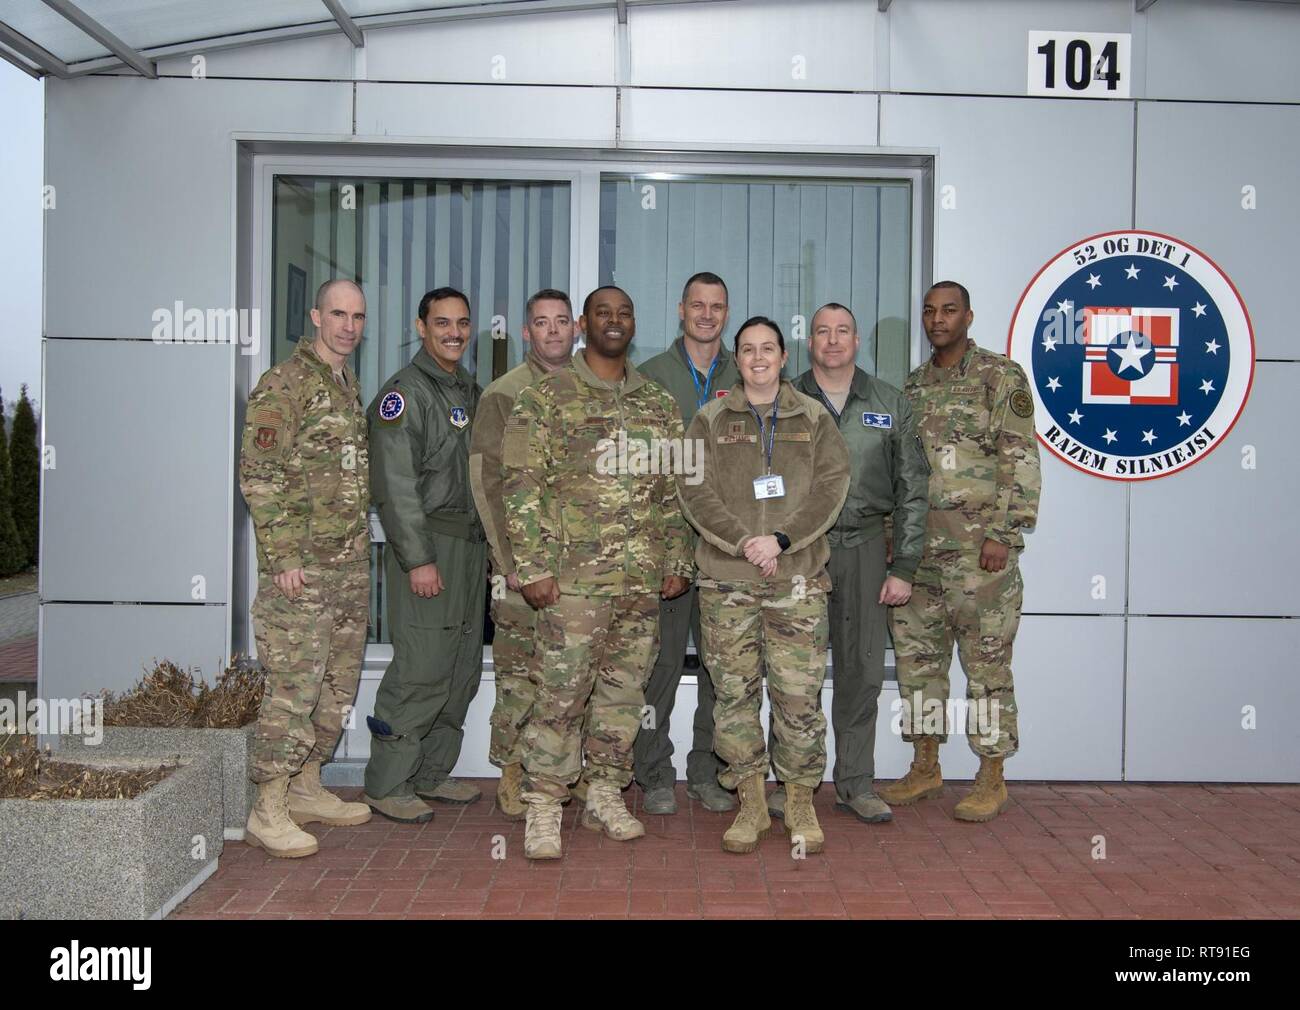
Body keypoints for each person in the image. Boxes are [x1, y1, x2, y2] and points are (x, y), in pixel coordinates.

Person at [502, 286, 694, 859]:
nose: (615, 322)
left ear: (635, 323)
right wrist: (532, 565)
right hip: (572, 584)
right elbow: (519, 486)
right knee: (559, 695)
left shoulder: (658, 404)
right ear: (585, 324)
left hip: (639, 584)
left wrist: (677, 560)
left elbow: (674, 491)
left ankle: (605, 792)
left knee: (621, 695)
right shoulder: (546, 397)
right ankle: (542, 804)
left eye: (625, 313)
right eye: (603, 313)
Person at [678, 316, 850, 855]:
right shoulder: (708, 419)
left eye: (768, 349)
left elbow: (831, 487)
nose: (758, 358)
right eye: (748, 349)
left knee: (797, 695)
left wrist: (780, 538)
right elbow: (693, 488)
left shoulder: (815, 417)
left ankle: (799, 799)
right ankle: (751, 799)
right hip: (728, 579)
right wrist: (742, 543)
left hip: (796, 577)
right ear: (737, 357)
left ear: (782, 355)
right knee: (733, 694)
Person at [760, 303, 929, 826]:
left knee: (860, 670)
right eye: (821, 332)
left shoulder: (890, 402)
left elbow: (914, 491)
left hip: (863, 550)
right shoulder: (783, 402)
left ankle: (855, 782)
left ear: (857, 342)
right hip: (799, 553)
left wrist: (903, 565)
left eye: (842, 332)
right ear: (808, 343)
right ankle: (790, 784)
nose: (832, 341)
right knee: (792, 674)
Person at [879, 281, 1041, 822]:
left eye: (948, 310)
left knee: (986, 667)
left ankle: (991, 775)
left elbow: (1019, 457)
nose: (937, 319)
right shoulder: (913, 386)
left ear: (968, 316)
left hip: (980, 558)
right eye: (929, 311)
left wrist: (1005, 533)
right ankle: (926, 767)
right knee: (919, 666)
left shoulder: (1000, 377)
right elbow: (900, 470)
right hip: (921, 556)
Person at [239, 278, 373, 858]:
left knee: (337, 685)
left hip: (346, 570)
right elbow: (260, 476)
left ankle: (307, 786)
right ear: (316, 316)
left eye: (358, 316)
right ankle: (268, 807)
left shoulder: (346, 385)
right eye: (338, 314)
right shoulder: (284, 384)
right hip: (302, 572)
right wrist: (284, 557)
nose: (348, 325)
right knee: (293, 688)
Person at [362, 287, 487, 824]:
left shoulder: (468, 391)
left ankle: (431, 772)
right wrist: (418, 560)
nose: (454, 332)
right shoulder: (404, 395)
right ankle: (388, 782)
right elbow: (395, 485)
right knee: (422, 664)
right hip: (430, 545)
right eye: (442, 323)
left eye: (462, 323)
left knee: (459, 666)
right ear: (420, 327)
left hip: (470, 547)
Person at [634, 272, 741, 815]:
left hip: (725, 549)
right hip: (664, 550)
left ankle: (709, 771)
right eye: (697, 305)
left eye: (716, 306)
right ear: (680, 310)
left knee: (722, 671)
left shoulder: (744, 373)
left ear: (727, 312)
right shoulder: (649, 376)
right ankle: (653, 772)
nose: (706, 314)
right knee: (660, 667)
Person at [468, 288, 578, 820]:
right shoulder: (504, 394)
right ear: (526, 331)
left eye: (561, 321)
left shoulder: (590, 390)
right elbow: (486, 482)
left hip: (579, 571)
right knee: (519, 678)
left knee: (569, 678)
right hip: (520, 570)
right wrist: (510, 561)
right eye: (542, 322)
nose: (553, 331)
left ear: (575, 328)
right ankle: (511, 771)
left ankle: (558, 773)